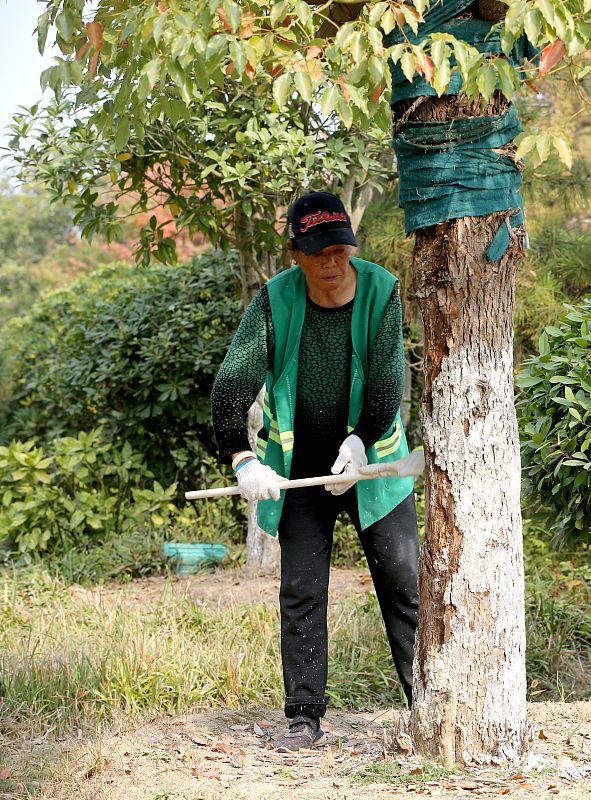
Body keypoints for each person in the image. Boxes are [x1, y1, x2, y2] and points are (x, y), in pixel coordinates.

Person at [210, 191, 418, 752]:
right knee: (302, 587)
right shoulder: (272, 302)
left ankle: (428, 701)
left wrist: (360, 442)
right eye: (319, 252)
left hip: (372, 458)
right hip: (299, 464)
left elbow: (385, 383)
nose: (332, 263)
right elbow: (230, 389)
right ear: (296, 253)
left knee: (403, 578)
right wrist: (243, 459)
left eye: (340, 249)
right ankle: (304, 716)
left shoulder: (381, 290)